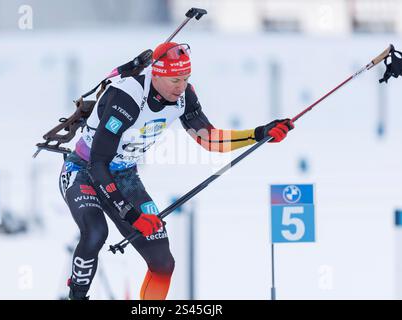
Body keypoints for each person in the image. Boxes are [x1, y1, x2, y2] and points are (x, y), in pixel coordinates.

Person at [59, 42, 294, 300]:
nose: (180, 87)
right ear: (155, 74)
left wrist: (259, 134)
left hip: (124, 175)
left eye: (185, 78)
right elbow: (98, 163)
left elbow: (210, 139)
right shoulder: (126, 97)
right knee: (95, 232)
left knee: (163, 262)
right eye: (174, 80)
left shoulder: (184, 96)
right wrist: (131, 214)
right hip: (84, 170)